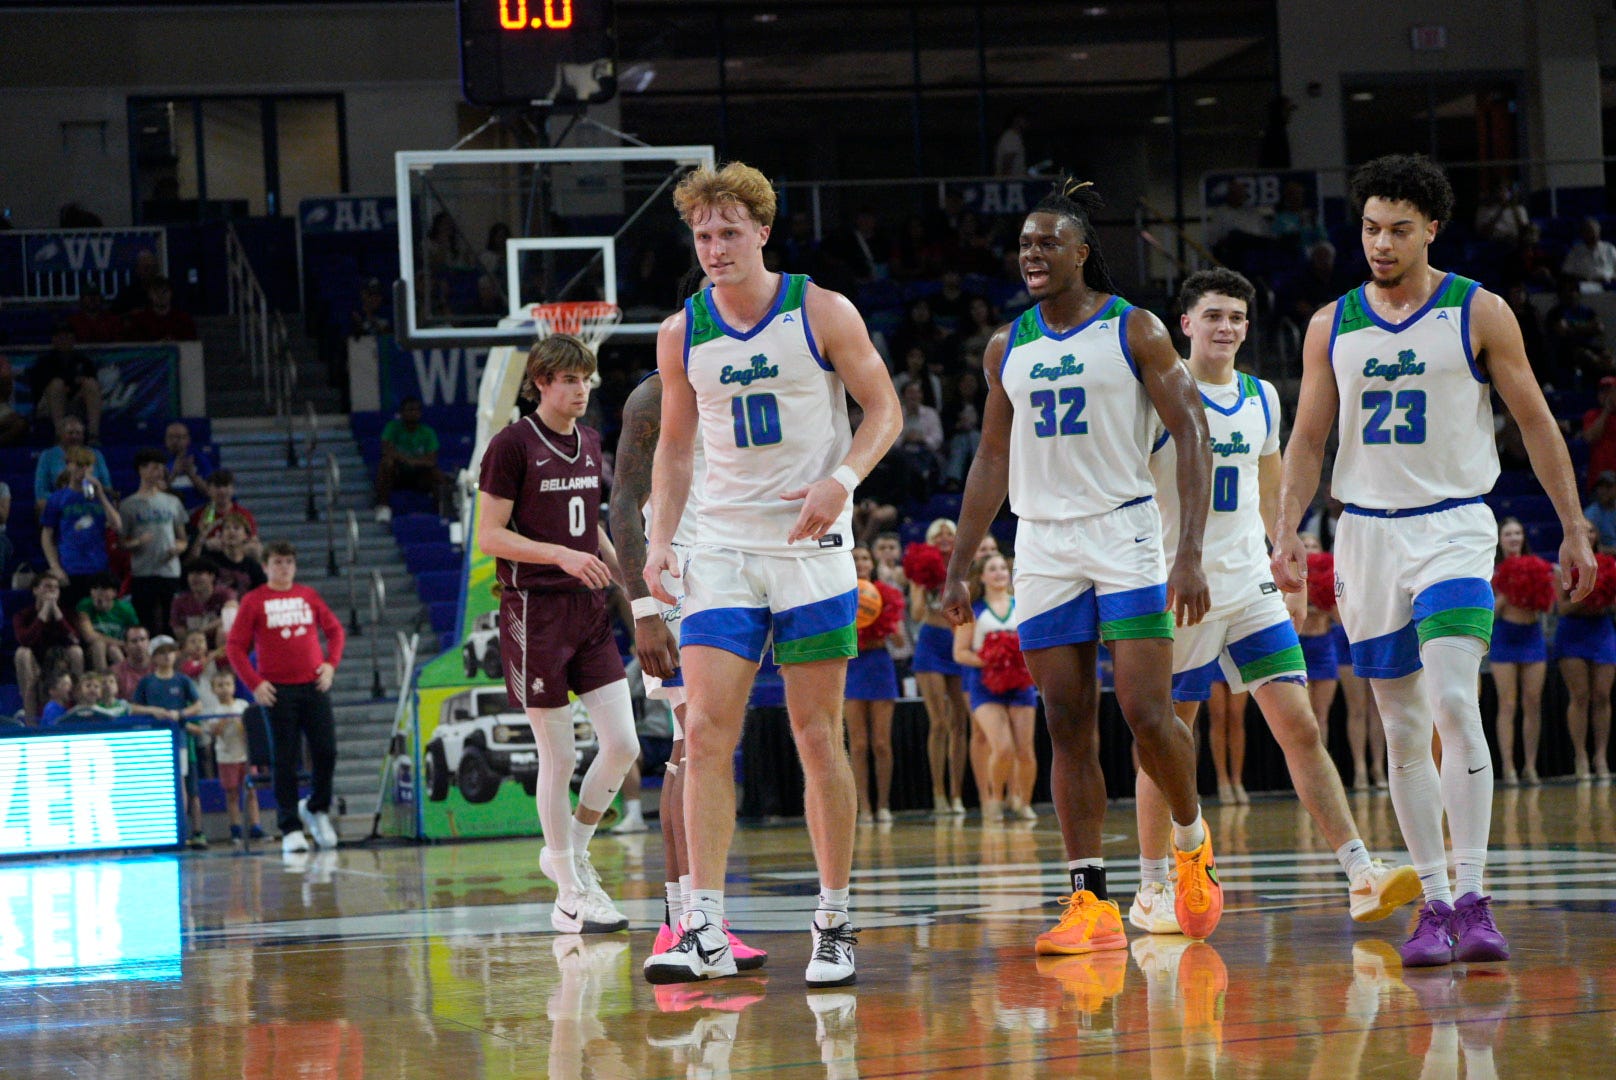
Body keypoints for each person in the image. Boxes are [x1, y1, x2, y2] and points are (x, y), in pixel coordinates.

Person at [1272, 153, 1595, 968]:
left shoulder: (1477, 312)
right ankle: (1434, 904)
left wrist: (1573, 528)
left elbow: (1536, 423)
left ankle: (1476, 895)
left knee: (1454, 702)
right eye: (1372, 228)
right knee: (1402, 726)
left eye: (1399, 231)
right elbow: (1308, 438)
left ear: (1432, 231)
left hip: (1453, 525)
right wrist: (1286, 531)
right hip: (1366, 535)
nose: (1381, 243)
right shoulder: (1330, 323)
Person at [940, 179, 1223, 956]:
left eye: (1047, 243)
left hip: (1124, 532)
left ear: (1081, 252)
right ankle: (1089, 898)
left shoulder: (1134, 329)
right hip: (1043, 543)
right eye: (1025, 244)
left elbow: (1192, 434)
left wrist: (1189, 550)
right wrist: (961, 563)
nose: (1032, 254)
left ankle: (1192, 844)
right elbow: (992, 458)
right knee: (1065, 721)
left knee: (1143, 711)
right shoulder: (1008, 345)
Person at [642, 161, 901, 986]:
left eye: (727, 232)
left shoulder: (820, 309)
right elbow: (676, 445)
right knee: (708, 734)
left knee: (817, 734)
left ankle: (833, 919)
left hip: (811, 547)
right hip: (718, 549)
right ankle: (706, 928)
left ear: (761, 230)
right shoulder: (682, 330)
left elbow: (884, 410)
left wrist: (843, 480)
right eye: (701, 234)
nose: (714, 247)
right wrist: (660, 539)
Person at [1131, 267, 1418, 938]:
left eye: (1236, 316)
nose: (1226, 326)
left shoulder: (1261, 396)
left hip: (1248, 584)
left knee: (1301, 726)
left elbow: (1269, 482)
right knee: (1170, 739)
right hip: (1177, 588)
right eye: (1214, 316)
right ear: (1186, 324)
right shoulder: (1154, 398)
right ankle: (1152, 886)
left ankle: (1359, 872)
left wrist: (1286, 547)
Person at [475, 334, 642, 935]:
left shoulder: (591, 441)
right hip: (534, 611)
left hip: (589, 610)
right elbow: (489, 535)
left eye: (587, 379)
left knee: (622, 745)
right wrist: (558, 557)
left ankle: (568, 848)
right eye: (570, 379)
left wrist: (627, 578)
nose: (582, 390)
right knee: (561, 753)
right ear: (541, 382)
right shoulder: (511, 444)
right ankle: (570, 892)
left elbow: (590, 523)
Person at [607, 355, 769, 970]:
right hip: (677, 582)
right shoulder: (655, 394)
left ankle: (685, 922)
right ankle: (685, 923)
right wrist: (643, 609)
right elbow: (622, 503)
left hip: (722, 575)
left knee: (691, 748)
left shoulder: (737, 379)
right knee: (691, 747)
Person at [225, 540, 347, 855]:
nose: (284, 568)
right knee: (284, 758)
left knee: (327, 750)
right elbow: (235, 647)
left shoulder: (308, 596)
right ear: (265, 566)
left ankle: (317, 808)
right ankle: (290, 826)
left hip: (314, 685)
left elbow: (335, 631)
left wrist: (330, 666)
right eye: (278, 562)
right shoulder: (254, 601)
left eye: (289, 562)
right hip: (277, 690)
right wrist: (254, 683)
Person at [951, 552, 1038, 821]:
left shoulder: (1023, 605)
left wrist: (1017, 663)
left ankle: (1023, 802)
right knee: (1002, 746)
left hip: (1021, 684)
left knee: (1025, 749)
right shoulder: (973, 610)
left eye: (1003, 567)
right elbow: (960, 653)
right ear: (983, 576)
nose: (1000, 572)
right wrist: (993, 660)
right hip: (984, 685)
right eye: (993, 568)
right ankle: (995, 801)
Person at [910, 518, 973, 816]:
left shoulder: (965, 566)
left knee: (960, 722)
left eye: (950, 532)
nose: (945, 537)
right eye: (939, 533)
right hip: (931, 642)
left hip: (958, 642)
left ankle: (957, 793)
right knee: (939, 722)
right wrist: (922, 584)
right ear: (931, 539)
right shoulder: (920, 568)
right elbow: (917, 612)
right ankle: (938, 793)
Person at [847, 546, 906, 824]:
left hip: (880, 666)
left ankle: (884, 805)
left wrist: (886, 626)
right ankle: (864, 807)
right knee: (858, 744)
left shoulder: (886, 594)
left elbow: (901, 643)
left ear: (873, 563)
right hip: (852, 668)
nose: (861, 562)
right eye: (856, 558)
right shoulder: (842, 594)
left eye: (865, 558)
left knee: (881, 743)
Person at [132, 636, 209, 847]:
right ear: (154, 657)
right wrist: (154, 711)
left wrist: (180, 713)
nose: (167, 656)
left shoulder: (182, 680)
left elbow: (198, 705)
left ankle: (184, 830)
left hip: (180, 740)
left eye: (170, 651)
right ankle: (164, 830)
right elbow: (134, 707)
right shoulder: (147, 681)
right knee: (159, 785)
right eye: (162, 652)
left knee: (182, 784)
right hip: (153, 741)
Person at [1555, 516, 1615, 782]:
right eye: (1583, 530)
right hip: (1573, 630)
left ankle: (1600, 756)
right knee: (1579, 696)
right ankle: (1580, 756)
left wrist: (1605, 598)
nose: (1588, 534)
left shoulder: (1610, 565)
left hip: (1602, 629)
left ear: (1596, 535)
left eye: (1592, 530)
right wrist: (1586, 595)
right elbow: (1562, 608)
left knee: (1602, 696)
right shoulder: (1563, 566)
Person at [1492, 518, 1547, 786]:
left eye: (1518, 532)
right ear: (1500, 539)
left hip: (1532, 636)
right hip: (1504, 636)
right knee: (1508, 704)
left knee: (1533, 702)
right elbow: (1489, 615)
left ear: (1524, 537)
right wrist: (1506, 593)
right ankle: (1508, 766)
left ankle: (1530, 765)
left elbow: (1547, 606)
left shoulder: (1538, 566)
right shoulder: (1491, 570)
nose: (1513, 537)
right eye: (1508, 533)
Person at [40, 445, 121, 613]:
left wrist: (100, 494)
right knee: (73, 614)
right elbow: (47, 535)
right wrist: (55, 566)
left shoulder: (99, 497)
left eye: (87, 465)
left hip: (98, 565)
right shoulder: (58, 498)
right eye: (78, 464)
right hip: (70, 566)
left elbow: (117, 525)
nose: (83, 469)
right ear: (69, 465)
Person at [120, 447, 189, 634]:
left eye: (161, 467)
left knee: (171, 621)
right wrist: (137, 542)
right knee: (146, 621)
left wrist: (179, 548)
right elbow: (121, 543)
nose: (159, 472)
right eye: (154, 467)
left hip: (169, 570)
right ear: (141, 470)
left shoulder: (172, 502)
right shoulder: (128, 505)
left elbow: (183, 538)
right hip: (143, 571)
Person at [205, 669, 265, 847]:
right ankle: (236, 828)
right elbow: (214, 732)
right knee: (231, 794)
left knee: (251, 792)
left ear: (234, 686)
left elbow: (250, 731)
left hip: (245, 757)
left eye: (228, 684)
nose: (224, 689)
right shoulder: (214, 710)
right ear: (214, 689)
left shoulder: (242, 705)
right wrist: (223, 721)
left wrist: (240, 724)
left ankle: (256, 826)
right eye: (220, 685)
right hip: (226, 758)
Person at [13, 573, 86, 717]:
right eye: (47, 587)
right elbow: (25, 640)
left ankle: (79, 705)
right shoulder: (23, 615)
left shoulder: (67, 614)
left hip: (61, 661)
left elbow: (75, 639)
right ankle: (30, 710)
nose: (52, 591)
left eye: (55, 588)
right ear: (35, 590)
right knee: (22, 653)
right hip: (36, 663)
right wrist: (44, 612)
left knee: (76, 651)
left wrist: (58, 615)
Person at [373, 396, 452, 523]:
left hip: (419, 475)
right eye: (409, 410)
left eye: (416, 410)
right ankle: (383, 507)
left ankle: (444, 511)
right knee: (386, 464)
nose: (413, 413)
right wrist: (408, 460)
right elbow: (387, 451)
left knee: (437, 474)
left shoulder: (427, 432)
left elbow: (431, 460)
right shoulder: (392, 427)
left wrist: (410, 461)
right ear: (402, 413)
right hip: (398, 473)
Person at [27, 323, 102, 443]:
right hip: (49, 405)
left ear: (73, 340)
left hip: (76, 403)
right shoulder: (43, 362)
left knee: (91, 383)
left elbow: (91, 385)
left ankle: (94, 435)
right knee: (56, 385)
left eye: (68, 337)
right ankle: (60, 435)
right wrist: (67, 386)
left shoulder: (84, 361)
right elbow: (39, 389)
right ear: (54, 340)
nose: (64, 341)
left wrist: (72, 387)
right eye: (60, 337)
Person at [32, 415, 111, 513]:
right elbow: (41, 491)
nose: (74, 436)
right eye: (70, 433)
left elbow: (107, 486)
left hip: (91, 501)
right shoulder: (47, 455)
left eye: (78, 433)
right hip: (59, 504)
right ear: (61, 434)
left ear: (83, 435)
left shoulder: (96, 455)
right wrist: (65, 500)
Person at [189, 470, 260, 558]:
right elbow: (191, 552)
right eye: (217, 486)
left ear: (233, 489)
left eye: (226, 486)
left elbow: (255, 547)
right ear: (208, 490)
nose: (222, 491)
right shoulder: (198, 515)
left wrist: (227, 546)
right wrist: (205, 545)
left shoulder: (244, 514)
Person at [74, 572, 136, 671]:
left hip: (118, 649)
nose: (99, 592)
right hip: (91, 649)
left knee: (113, 650)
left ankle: (126, 680)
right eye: (95, 588)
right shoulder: (84, 605)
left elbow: (135, 632)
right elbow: (89, 636)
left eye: (104, 589)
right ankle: (102, 679)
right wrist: (121, 644)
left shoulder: (125, 608)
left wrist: (125, 645)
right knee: (99, 645)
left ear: (115, 592)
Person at [170, 558, 235, 645]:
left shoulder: (225, 594)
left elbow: (231, 615)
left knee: (222, 630)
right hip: (193, 646)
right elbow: (179, 631)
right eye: (191, 574)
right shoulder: (180, 601)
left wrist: (202, 631)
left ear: (211, 576)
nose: (193, 578)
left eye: (199, 574)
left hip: (219, 646)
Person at [123, 276, 198, 341]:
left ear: (171, 293)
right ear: (150, 295)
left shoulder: (183, 320)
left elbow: (192, 345)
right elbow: (135, 347)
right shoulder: (140, 321)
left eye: (164, 292)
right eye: (156, 292)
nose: (160, 296)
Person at [211, 512, 267, 596]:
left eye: (236, 528)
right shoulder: (211, 561)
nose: (231, 531)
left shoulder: (253, 567)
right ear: (221, 535)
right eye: (227, 528)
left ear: (246, 536)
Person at [163, 422, 214, 509]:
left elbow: (210, 492)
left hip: (198, 510)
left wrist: (191, 474)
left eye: (179, 437)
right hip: (169, 511)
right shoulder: (160, 462)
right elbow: (154, 494)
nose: (175, 441)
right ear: (166, 440)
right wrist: (174, 474)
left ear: (187, 439)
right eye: (171, 437)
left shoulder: (200, 460)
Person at [1560, 216, 1616, 292]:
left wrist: (1609, 279)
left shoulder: (1609, 249)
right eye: (1588, 232)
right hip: (1584, 286)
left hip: (1608, 285)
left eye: (1594, 231)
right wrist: (1583, 278)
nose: (1591, 235)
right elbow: (1566, 273)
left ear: (1599, 232)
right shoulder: (1575, 251)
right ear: (1582, 234)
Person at [112, 624, 155, 700]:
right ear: (126, 646)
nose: (139, 645)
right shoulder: (116, 672)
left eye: (143, 639)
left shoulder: (161, 667)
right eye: (134, 641)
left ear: (149, 643)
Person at [1586, 472, 1616, 551]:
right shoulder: (1591, 514)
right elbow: (1595, 548)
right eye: (1601, 487)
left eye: (1608, 487)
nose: (1604, 491)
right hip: (1604, 558)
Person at [995, 111, 1030, 177]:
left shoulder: (1015, 137)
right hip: (1012, 184)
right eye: (1024, 119)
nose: (1027, 123)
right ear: (1016, 120)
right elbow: (1007, 162)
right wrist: (1006, 183)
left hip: (1014, 182)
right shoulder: (1011, 137)